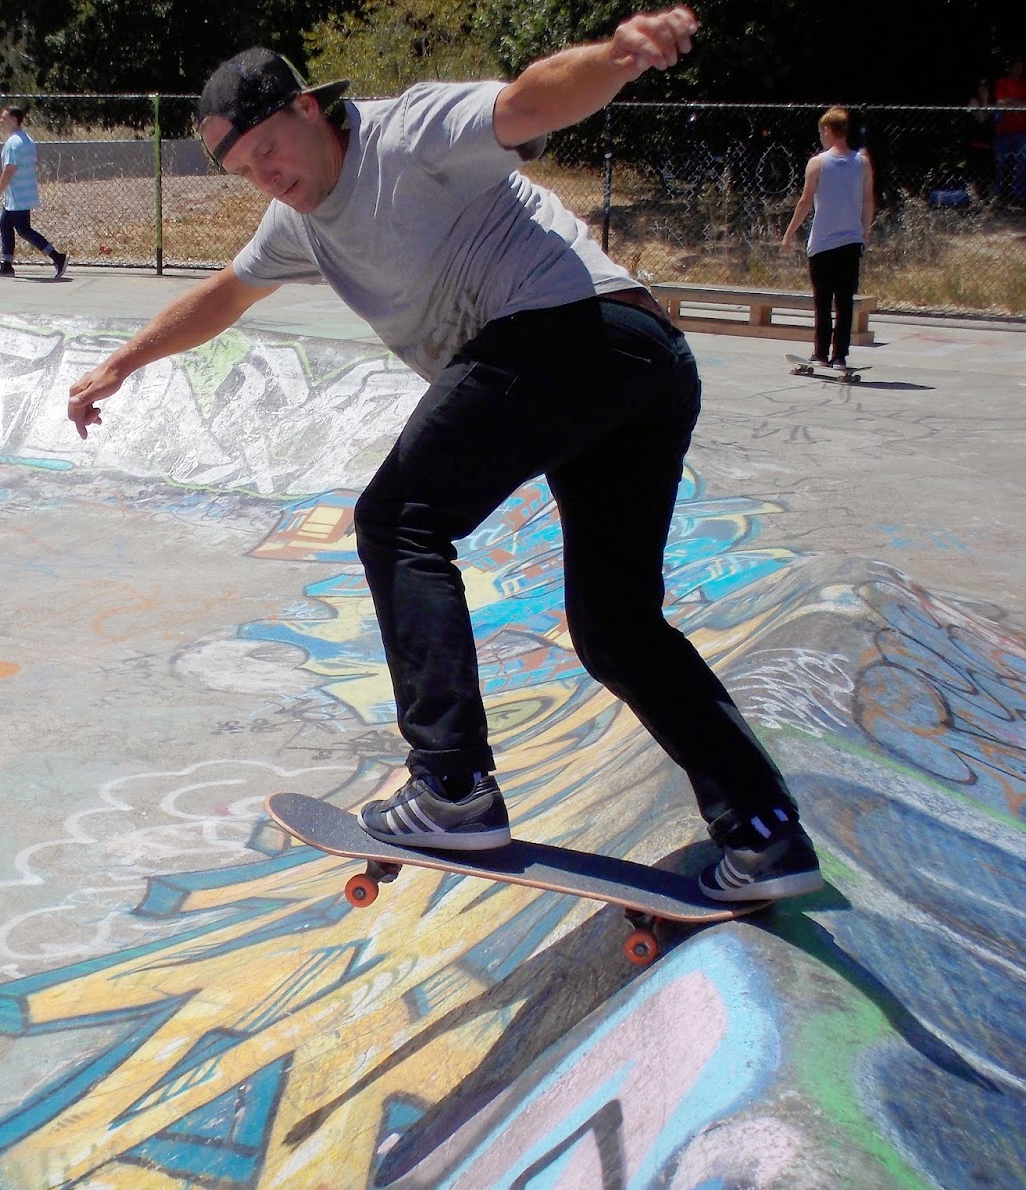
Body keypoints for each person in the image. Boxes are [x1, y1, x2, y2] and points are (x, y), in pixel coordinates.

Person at [66, 7, 824, 902]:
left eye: (268, 149)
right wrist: (123, 360)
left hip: (575, 334)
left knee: (399, 519)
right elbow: (226, 295)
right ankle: (766, 832)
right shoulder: (298, 223)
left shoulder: (409, 133)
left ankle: (453, 786)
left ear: (309, 107)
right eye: (244, 173)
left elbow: (527, 105)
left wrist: (616, 60)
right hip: (633, 369)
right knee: (616, 628)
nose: (268, 179)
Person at [782, 107, 874, 371]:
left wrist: (789, 234)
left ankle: (821, 352)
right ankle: (840, 355)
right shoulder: (862, 162)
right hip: (850, 241)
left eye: (822, 132)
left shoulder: (818, 163)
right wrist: (864, 232)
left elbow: (805, 201)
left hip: (822, 242)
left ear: (828, 130)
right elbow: (868, 201)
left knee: (822, 299)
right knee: (844, 300)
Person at [0, 106, 67, 279]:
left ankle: (57, 257)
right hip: (18, 195)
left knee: (24, 230)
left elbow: (9, 169)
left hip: (18, 196)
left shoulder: (13, 143)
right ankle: (6, 265)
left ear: (14, 120)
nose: (1, 121)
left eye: (4, 118)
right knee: (5, 224)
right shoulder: (25, 139)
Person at [995, 58, 1026, 207]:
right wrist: (1017, 103)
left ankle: (1018, 196)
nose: (1018, 71)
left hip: (1022, 131)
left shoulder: (1024, 84)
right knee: (1000, 164)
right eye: (1016, 67)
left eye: (1021, 68)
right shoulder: (1002, 83)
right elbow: (1000, 103)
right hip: (1004, 131)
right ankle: (998, 195)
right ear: (1010, 68)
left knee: (1021, 165)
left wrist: (1012, 102)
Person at [965, 77, 995, 200]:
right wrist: (983, 102)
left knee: (988, 174)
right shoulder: (973, 101)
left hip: (989, 143)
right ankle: (976, 198)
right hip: (975, 142)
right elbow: (981, 118)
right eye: (981, 87)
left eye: (985, 87)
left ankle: (989, 198)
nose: (983, 89)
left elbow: (990, 117)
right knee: (976, 173)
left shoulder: (991, 102)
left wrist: (986, 101)